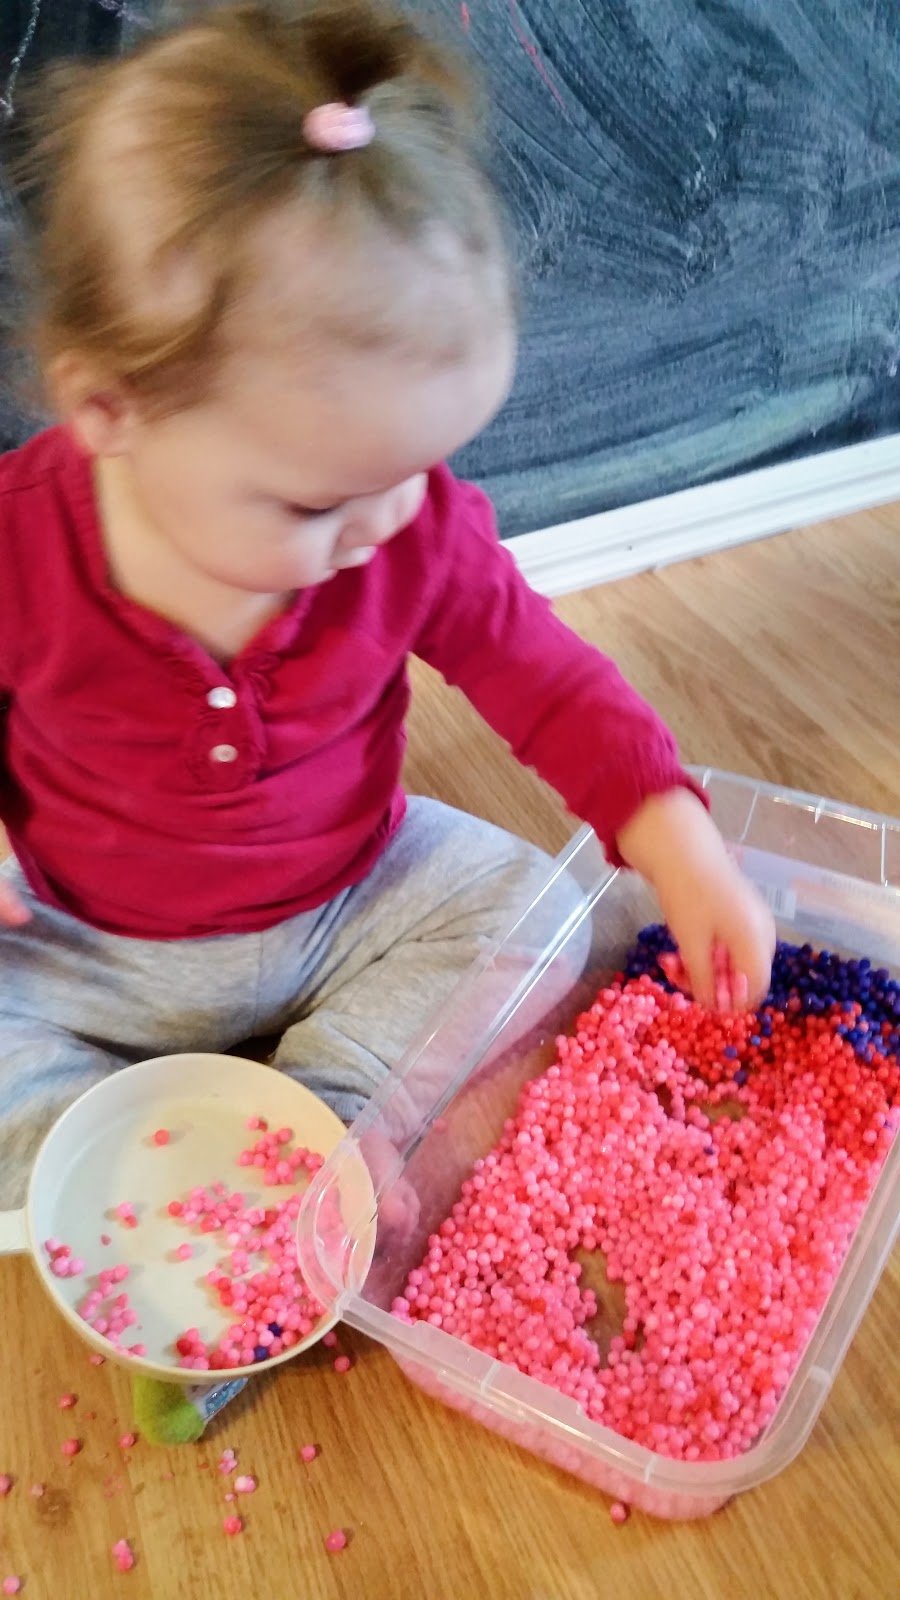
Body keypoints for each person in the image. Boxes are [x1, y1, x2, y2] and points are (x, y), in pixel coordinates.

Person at [0, 0, 774, 1436]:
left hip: (348, 895)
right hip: (88, 942)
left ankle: (336, 1115)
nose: (384, 530)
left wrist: (675, 841)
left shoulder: (402, 529)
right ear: (109, 411)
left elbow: (546, 676)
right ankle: (115, 1176)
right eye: (315, 503)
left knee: (527, 910)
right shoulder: (17, 542)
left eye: (416, 474)